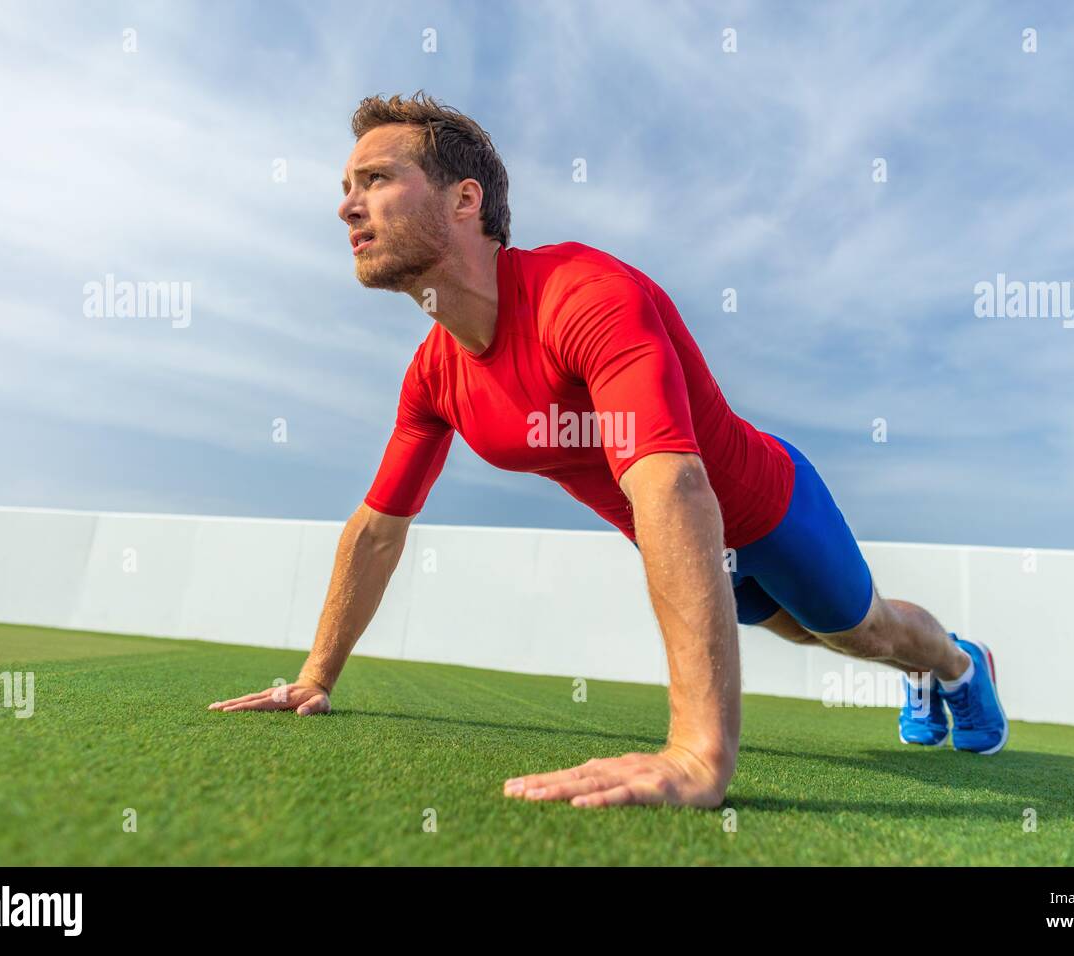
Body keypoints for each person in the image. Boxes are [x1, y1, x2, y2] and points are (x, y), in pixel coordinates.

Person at [209, 92, 1008, 808]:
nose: (349, 206)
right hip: (696, 554)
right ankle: (922, 666)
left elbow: (674, 488)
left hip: (768, 506)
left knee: (858, 630)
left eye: (376, 179)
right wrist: (315, 677)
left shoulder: (584, 295)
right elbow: (378, 528)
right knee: (800, 631)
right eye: (346, 188)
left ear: (465, 199)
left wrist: (699, 753)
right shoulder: (432, 376)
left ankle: (958, 665)